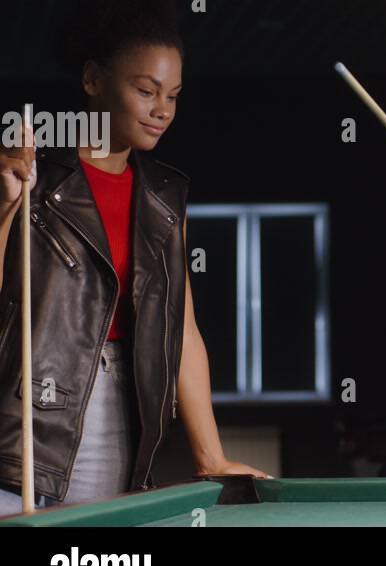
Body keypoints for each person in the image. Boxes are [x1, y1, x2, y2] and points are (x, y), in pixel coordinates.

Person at [0, 0, 266, 516]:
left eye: (173, 95)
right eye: (145, 91)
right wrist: (4, 207)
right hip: (20, 414)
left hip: (119, 414)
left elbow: (182, 331)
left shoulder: (165, 198)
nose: (161, 109)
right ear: (93, 79)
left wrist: (212, 457)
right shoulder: (30, 177)